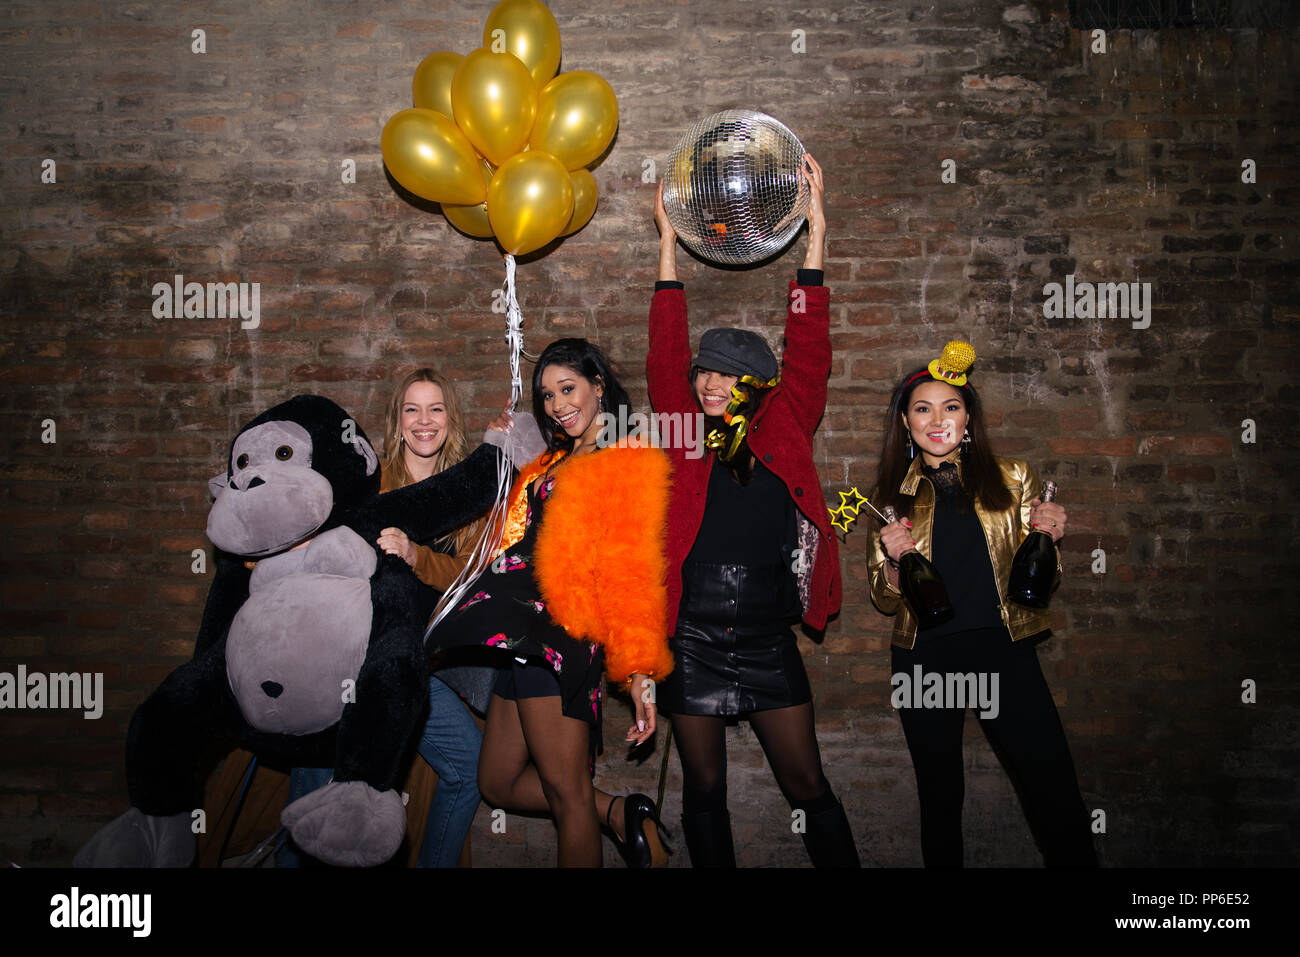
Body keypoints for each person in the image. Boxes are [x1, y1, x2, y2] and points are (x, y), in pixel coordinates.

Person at [648, 155, 860, 867]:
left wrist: (816, 238)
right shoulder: (682, 427)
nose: (710, 382)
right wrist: (667, 246)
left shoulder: (786, 419)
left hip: (768, 629)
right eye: (705, 370)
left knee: (808, 781)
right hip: (694, 628)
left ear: (758, 384)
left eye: (728, 374)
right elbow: (664, 349)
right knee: (702, 787)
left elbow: (810, 346)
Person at [426, 338, 675, 868]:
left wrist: (639, 675)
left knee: (567, 796)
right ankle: (617, 811)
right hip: (520, 638)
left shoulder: (626, 457)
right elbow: (517, 532)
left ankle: (599, 810)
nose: (559, 404)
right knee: (496, 782)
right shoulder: (553, 458)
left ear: (599, 386)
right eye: (547, 395)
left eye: (569, 388)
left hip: (563, 637)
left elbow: (632, 571)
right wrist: (504, 441)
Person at [866, 341, 1098, 867]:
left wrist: (1049, 539)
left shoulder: (1014, 480)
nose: (937, 419)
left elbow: (1042, 578)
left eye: (951, 406)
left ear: (969, 417)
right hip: (924, 660)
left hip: (1004, 653)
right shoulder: (890, 498)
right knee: (941, 799)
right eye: (922, 408)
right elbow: (882, 599)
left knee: (1052, 787)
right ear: (906, 423)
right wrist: (896, 562)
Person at [280, 368, 491, 868]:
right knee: (319, 774)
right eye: (411, 409)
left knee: (469, 764)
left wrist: (421, 557)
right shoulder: (370, 484)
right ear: (397, 422)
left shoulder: (469, 490)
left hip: (411, 665)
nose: (424, 421)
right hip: (344, 656)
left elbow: (474, 577)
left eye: (435, 408)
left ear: (450, 418)